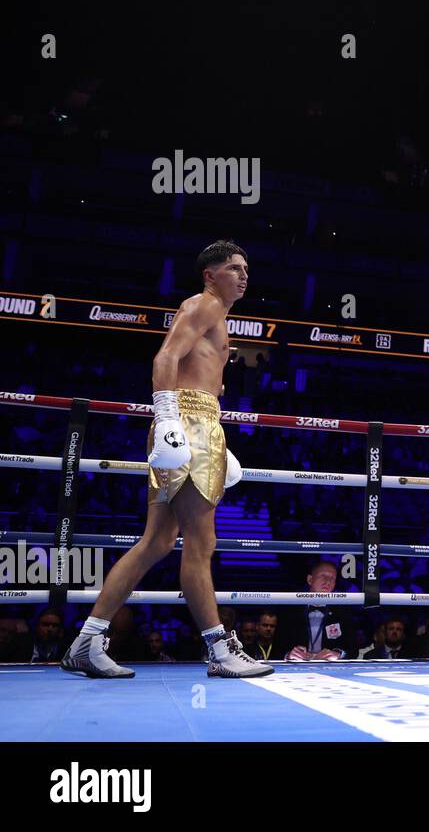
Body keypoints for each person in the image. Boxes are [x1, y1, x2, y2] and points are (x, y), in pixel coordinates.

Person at [61, 240, 271, 679]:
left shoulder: (216, 317)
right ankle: (219, 648)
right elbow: (166, 357)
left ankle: (87, 641)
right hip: (188, 425)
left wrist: (207, 415)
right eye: (234, 267)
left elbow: (197, 375)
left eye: (246, 267)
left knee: (156, 541)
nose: (243, 274)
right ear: (210, 275)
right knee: (201, 542)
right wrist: (172, 418)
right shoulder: (204, 304)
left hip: (196, 422)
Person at [281, 560, 354, 660]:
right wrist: (288, 655)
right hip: (296, 667)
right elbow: (277, 647)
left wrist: (338, 654)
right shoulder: (290, 610)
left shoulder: (343, 611)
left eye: (332, 578)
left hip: (331, 669)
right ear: (310, 579)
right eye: (323, 576)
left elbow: (353, 649)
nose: (328, 581)